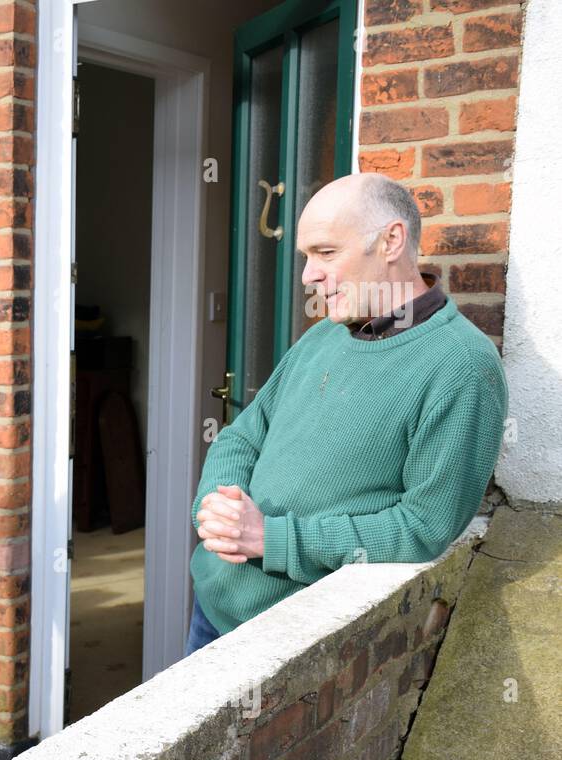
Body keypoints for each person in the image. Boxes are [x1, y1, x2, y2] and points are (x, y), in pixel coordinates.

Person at [187, 172, 507, 655]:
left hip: (285, 640)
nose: (308, 275)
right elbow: (243, 435)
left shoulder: (462, 366)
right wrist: (216, 508)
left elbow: (421, 529)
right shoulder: (324, 336)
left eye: (326, 253)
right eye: (306, 257)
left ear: (391, 240)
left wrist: (270, 538)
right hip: (211, 604)